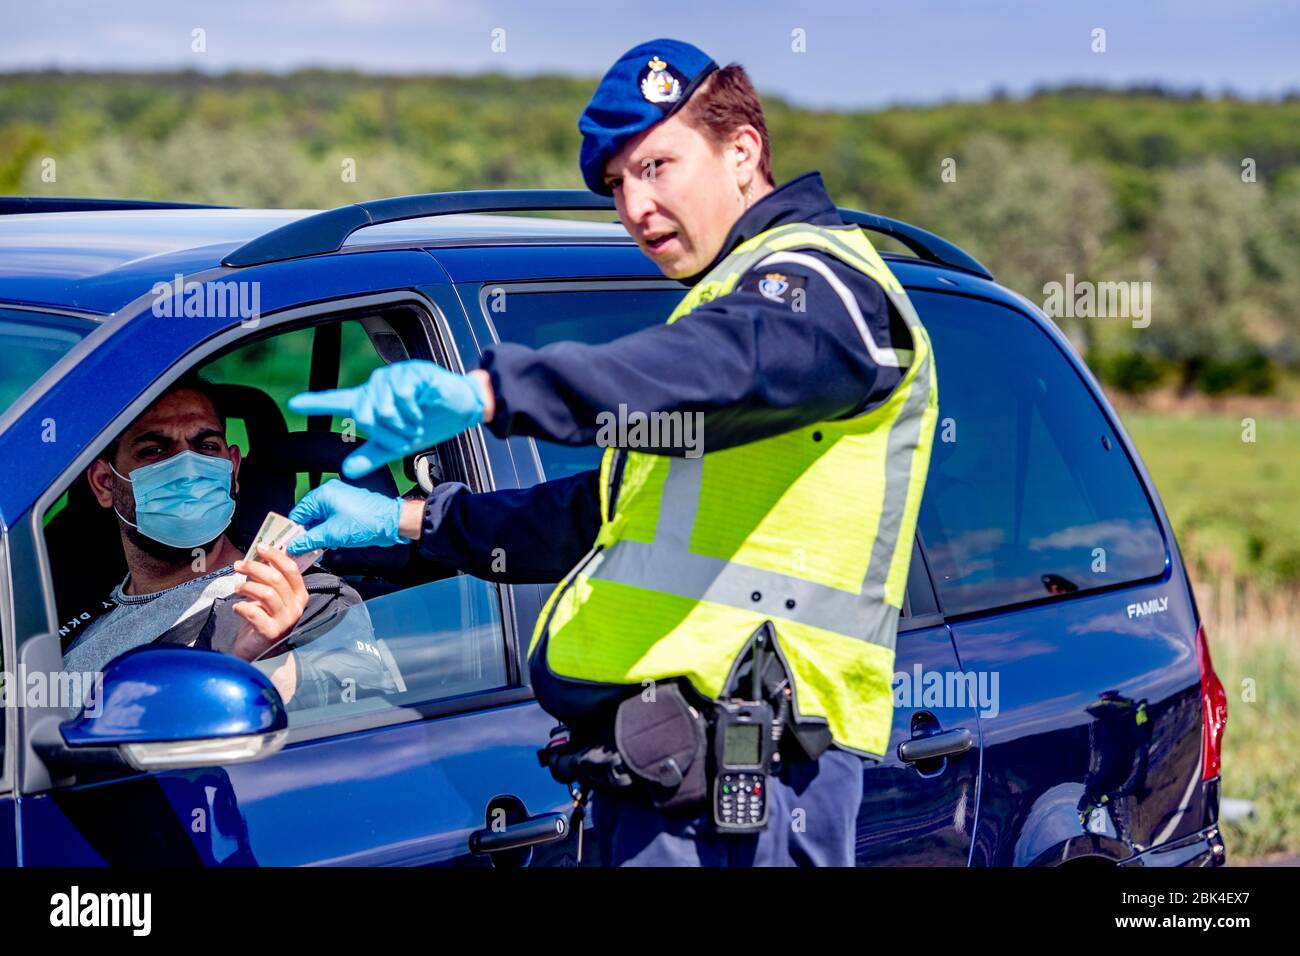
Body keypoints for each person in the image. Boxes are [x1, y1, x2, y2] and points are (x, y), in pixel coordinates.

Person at [284, 38, 938, 865]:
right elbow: (603, 516)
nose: (634, 206)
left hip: (752, 789)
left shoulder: (820, 287)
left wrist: (492, 392)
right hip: (665, 778)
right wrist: (407, 520)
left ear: (743, 152)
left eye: (657, 166)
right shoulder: (726, 304)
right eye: (616, 185)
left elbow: (715, 364)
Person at [61, 373, 396, 710]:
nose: (188, 468)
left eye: (206, 446)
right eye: (155, 450)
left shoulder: (300, 600)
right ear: (105, 483)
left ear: (233, 469)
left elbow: (355, 727)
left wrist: (271, 659)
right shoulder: (71, 602)